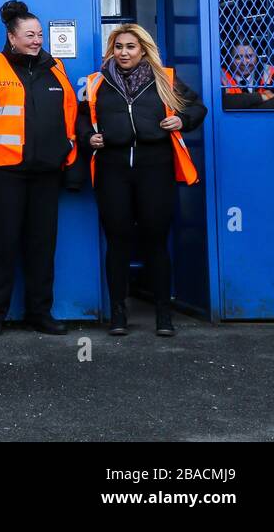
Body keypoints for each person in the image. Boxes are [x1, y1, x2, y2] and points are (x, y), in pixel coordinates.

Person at [0, 0, 79, 337]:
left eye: (40, 34)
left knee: (43, 246)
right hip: (5, 173)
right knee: (3, 245)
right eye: (29, 34)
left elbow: (69, 120)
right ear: (12, 37)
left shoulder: (56, 69)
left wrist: (70, 167)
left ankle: (39, 313)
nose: (37, 40)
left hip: (46, 174)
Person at [81, 22, 206, 337]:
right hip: (113, 169)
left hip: (155, 167)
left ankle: (164, 315)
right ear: (113, 49)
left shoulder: (165, 78)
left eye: (131, 47)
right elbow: (81, 119)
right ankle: (118, 314)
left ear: (143, 50)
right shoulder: (97, 82)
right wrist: (88, 137)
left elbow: (198, 108)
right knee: (118, 240)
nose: (124, 53)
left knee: (155, 239)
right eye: (119, 47)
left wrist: (182, 119)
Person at [221, 41, 274, 109]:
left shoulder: (270, 72)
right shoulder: (221, 76)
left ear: (257, 57)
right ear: (229, 59)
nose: (244, 62)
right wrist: (260, 97)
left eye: (249, 56)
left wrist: (240, 103)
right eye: (238, 57)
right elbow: (221, 102)